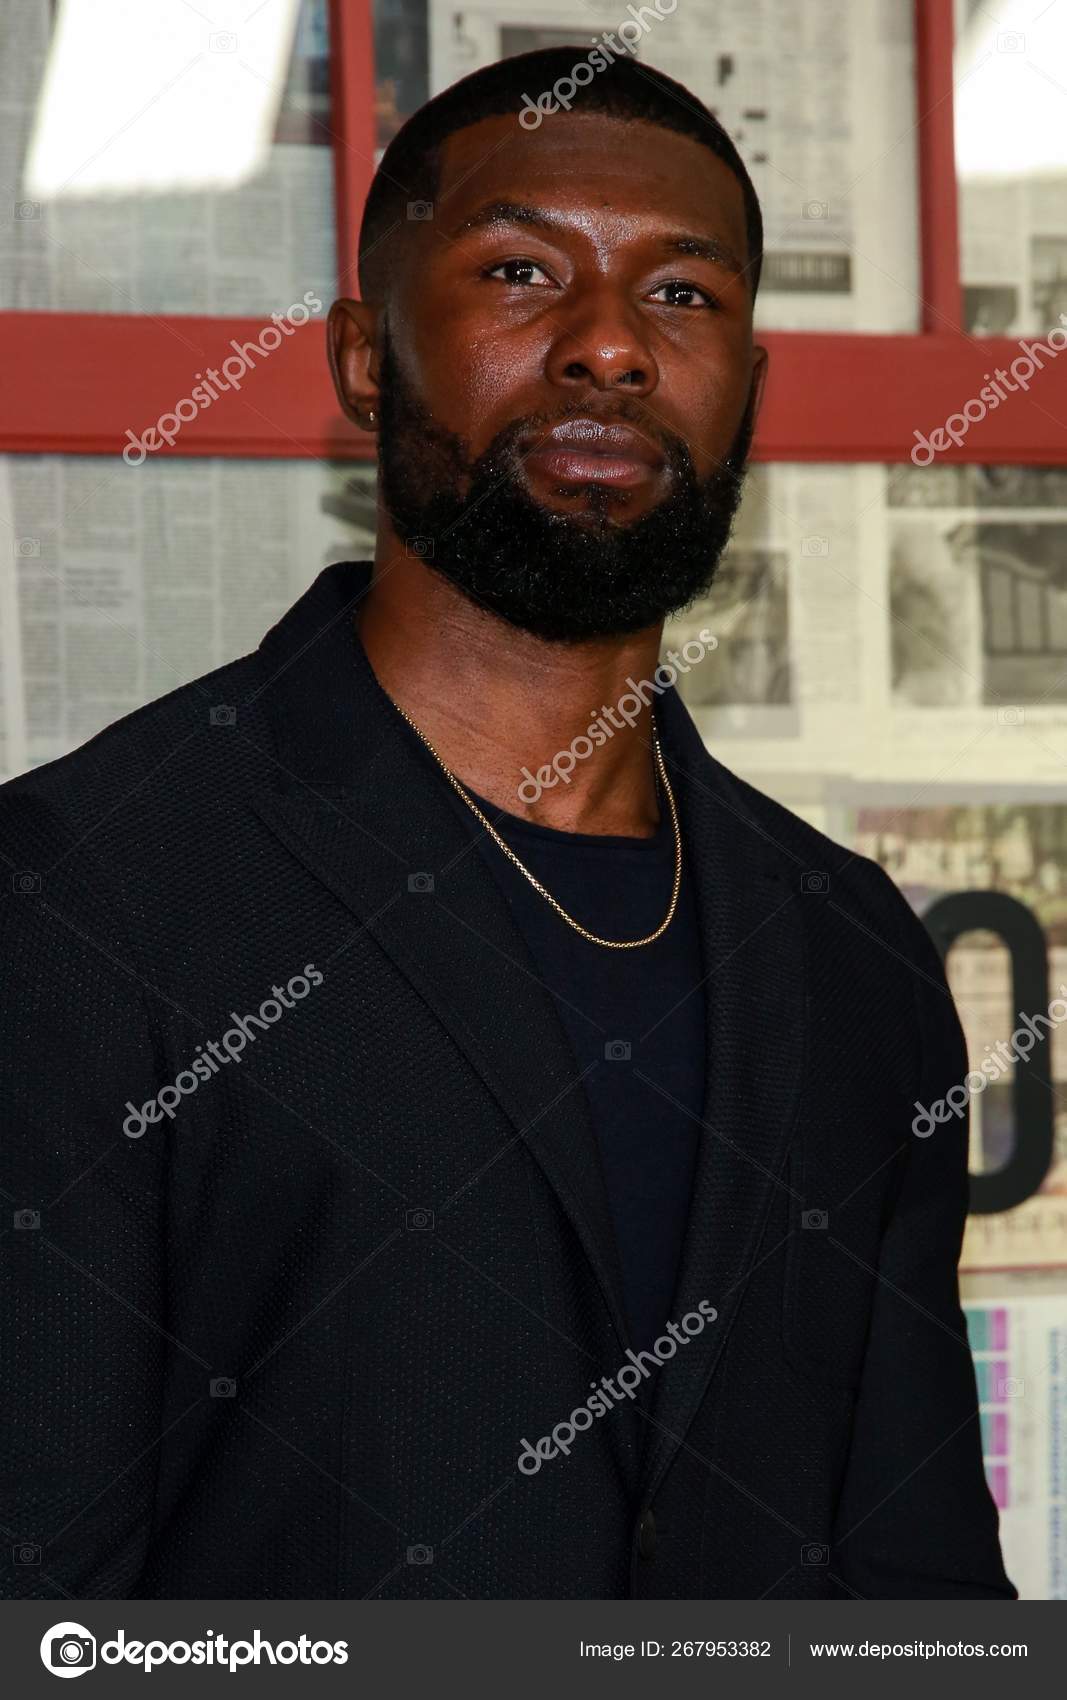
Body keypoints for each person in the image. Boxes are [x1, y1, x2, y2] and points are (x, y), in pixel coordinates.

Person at [0, 48, 1015, 1601]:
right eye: (522, 271)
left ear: (751, 380)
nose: (609, 345)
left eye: (683, 296)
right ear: (363, 357)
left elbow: (919, 1581)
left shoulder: (843, 944)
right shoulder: (84, 895)